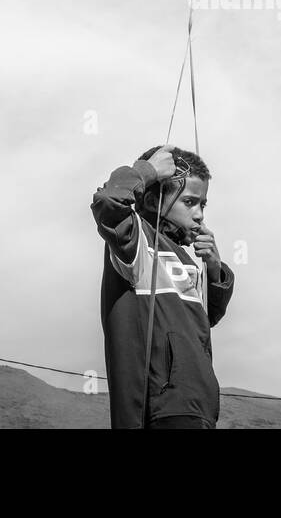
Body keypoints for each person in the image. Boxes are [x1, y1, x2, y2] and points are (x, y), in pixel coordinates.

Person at [90, 144, 235, 428]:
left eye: (203, 204)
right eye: (190, 202)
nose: (199, 215)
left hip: (198, 410)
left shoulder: (188, 260)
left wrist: (215, 268)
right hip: (159, 413)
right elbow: (108, 202)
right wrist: (148, 171)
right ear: (156, 200)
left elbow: (208, 317)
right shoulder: (137, 243)